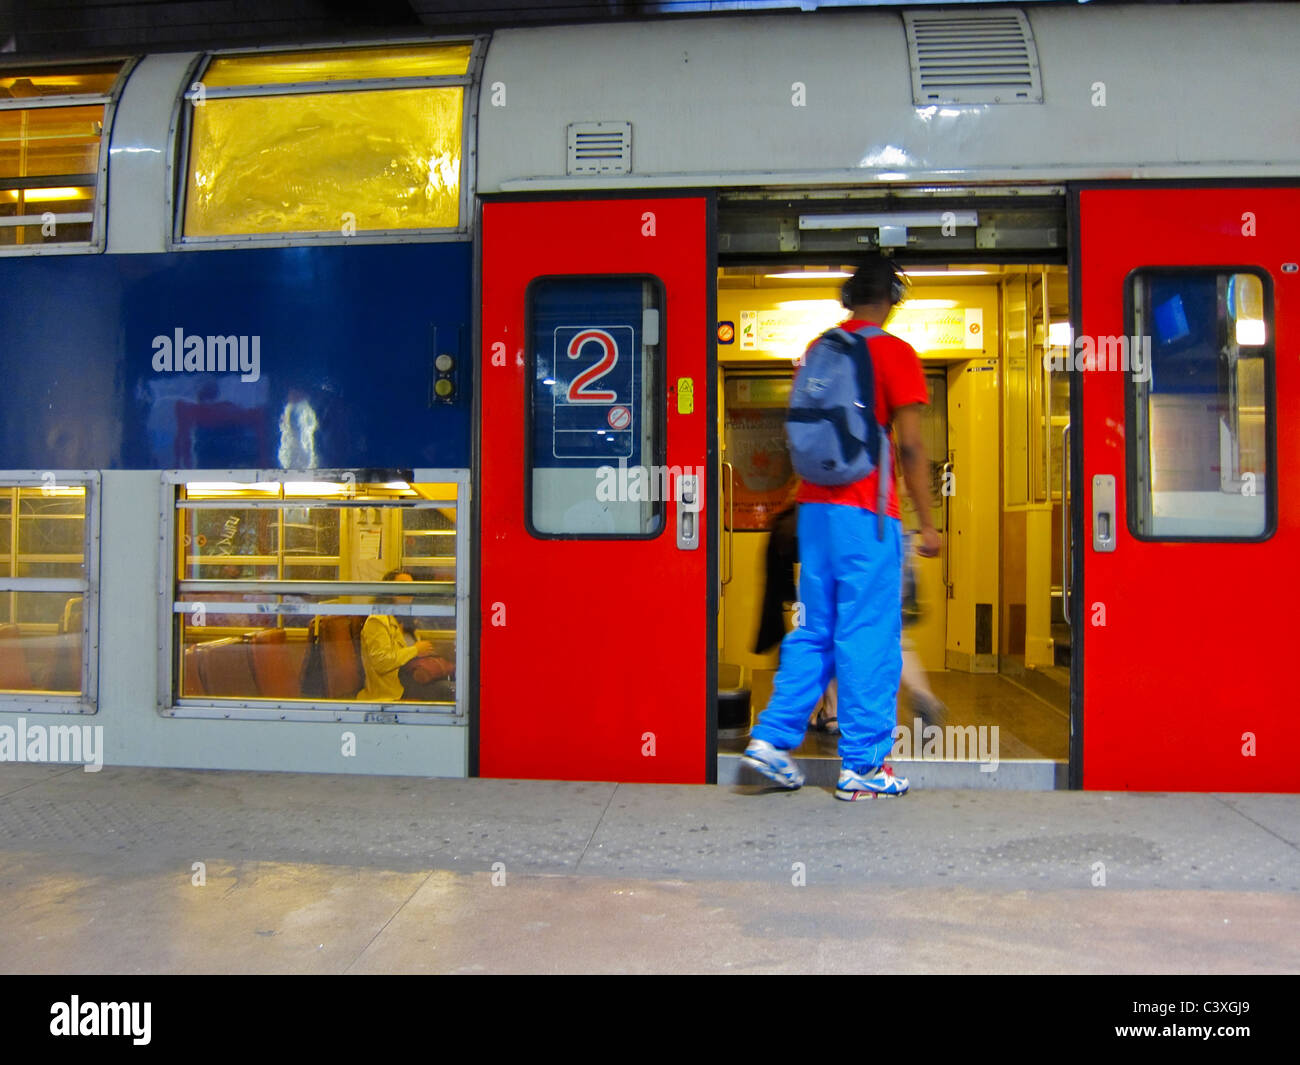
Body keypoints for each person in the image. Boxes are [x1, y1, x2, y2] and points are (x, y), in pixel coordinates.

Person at [742, 257, 941, 800]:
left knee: (815, 631)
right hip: (867, 516)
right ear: (893, 298)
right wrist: (927, 523)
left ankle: (771, 740)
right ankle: (865, 768)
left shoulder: (816, 350)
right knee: (869, 637)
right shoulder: (894, 353)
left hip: (814, 516)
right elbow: (912, 447)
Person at [358, 570, 454, 702]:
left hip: (414, 678)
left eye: (411, 586)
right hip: (395, 687)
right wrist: (415, 650)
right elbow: (381, 662)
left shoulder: (408, 620)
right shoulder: (377, 621)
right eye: (403, 586)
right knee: (448, 691)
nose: (409, 591)